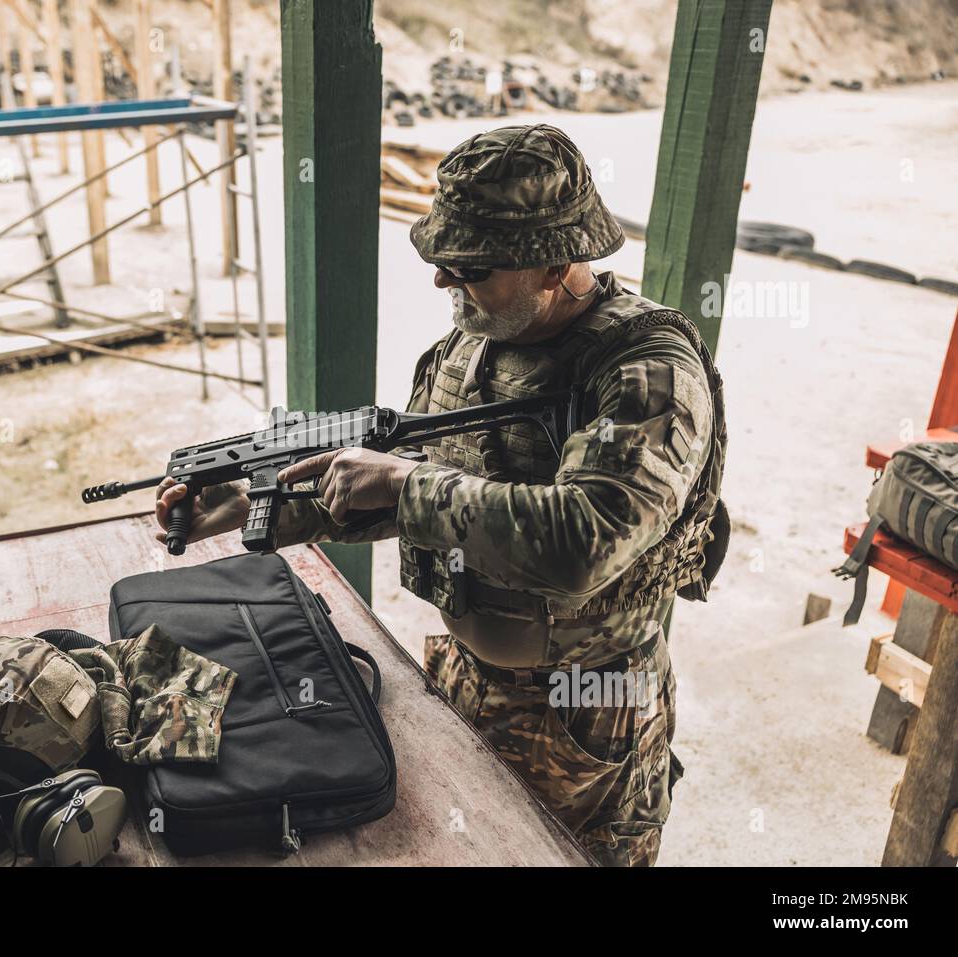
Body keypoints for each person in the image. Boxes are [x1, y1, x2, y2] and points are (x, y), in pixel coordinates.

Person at [153, 125, 727, 866]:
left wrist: (405, 481)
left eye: (470, 265)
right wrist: (254, 505)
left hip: (582, 707)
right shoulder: (476, 337)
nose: (442, 281)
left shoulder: (647, 369)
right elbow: (406, 485)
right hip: (465, 674)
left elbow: (583, 540)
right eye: (441, 260)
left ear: (556, 261)